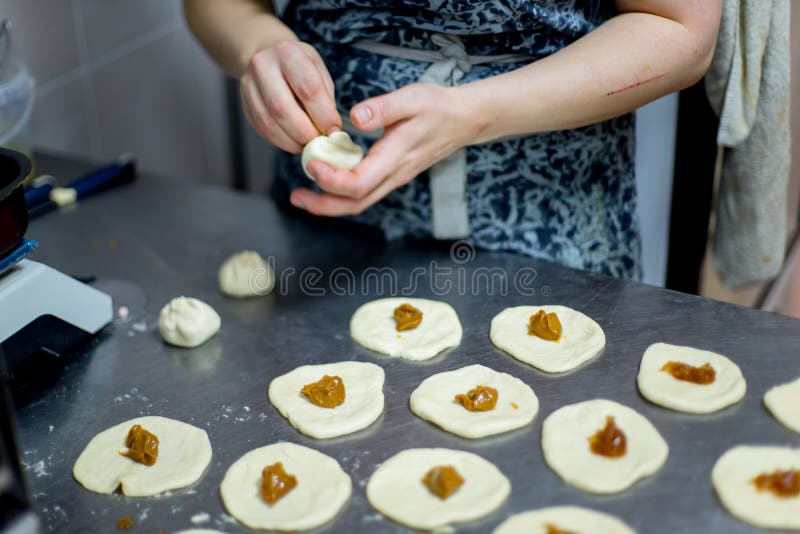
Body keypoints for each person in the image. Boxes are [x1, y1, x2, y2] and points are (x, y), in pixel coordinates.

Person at [184, 0, 722, 280]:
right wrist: (259, 44)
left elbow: (680, 28)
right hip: (326, 216)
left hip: (552, 217)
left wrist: (474, 113)